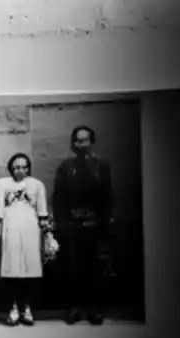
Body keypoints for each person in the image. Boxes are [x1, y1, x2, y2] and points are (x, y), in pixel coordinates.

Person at [52, 125, 115, 324]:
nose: (81, 144)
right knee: (73, 268)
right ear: (73, 144)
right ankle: (75, 307)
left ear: (91, 142)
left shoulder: (101, 166)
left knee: (95, 268)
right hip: (72, 226)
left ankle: (94, 308)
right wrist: (64, 223)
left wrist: (103, 223)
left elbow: (107, 196)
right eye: (77, 141)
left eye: (85, 140)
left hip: (95, 226)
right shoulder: (66, 167)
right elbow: (58, 198)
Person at [0, 152, 51, 326]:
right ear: (11, 167)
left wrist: (46, 231)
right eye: (17, 167)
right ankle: (12, 308)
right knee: (11, 268)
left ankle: (27, 308)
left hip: (30, 229)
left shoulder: (36, 185)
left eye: (24, 167)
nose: (21, 170)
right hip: (10, 229)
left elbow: (42, 211)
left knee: (29, 269)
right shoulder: (2, 184)